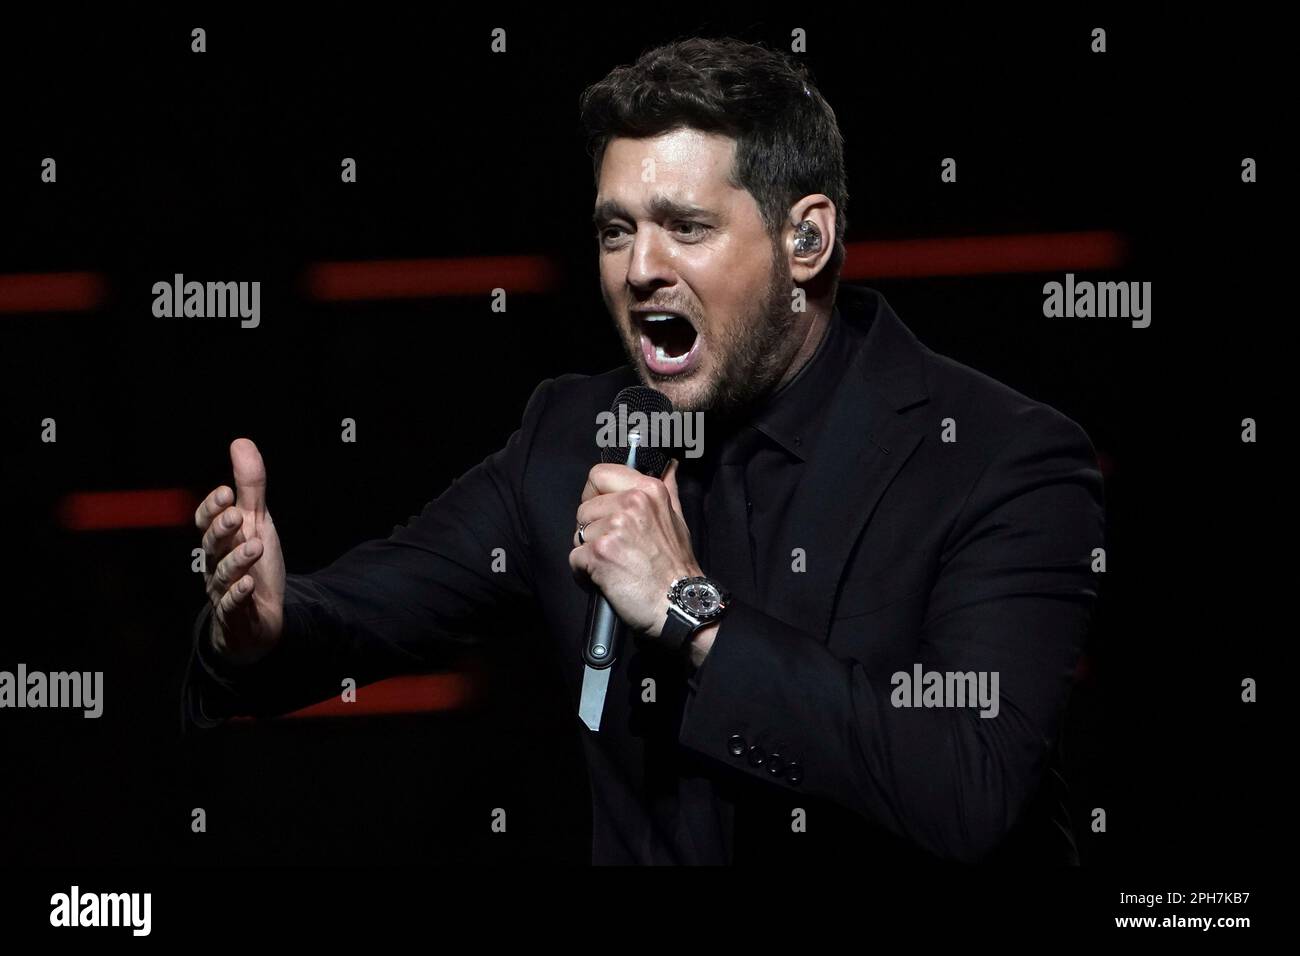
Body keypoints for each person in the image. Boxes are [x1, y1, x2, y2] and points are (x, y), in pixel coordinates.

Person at [183, 37, 1105, 865]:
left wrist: (694, 614)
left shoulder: (997, 459)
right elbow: (369, 608)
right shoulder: (574, 434)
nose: (639, 269)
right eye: (616, 229)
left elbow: (969, 792)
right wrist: (266, 622)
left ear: (807, 239)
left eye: (686, 227)